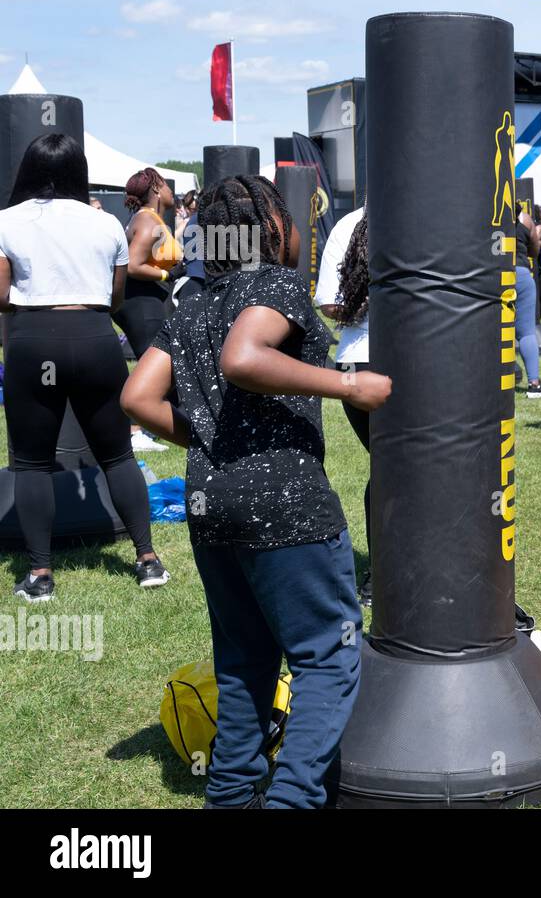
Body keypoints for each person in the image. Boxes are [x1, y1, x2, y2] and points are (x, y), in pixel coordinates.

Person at [120, 174, 392, 808]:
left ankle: (231, 796)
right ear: (270, 229)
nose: (300, 230)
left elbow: (136, 397)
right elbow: (243, 359)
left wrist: (205, 434)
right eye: (290, 218)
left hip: (210, 503)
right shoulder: (274, 284)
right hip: (286, 504)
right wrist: (353, 388)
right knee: (328, 658)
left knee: (243, 664)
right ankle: (292, 800)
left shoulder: (192, 303)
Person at [0, 134, 168, 601]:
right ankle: (148, 559)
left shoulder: (5, 221)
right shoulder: (108, 223)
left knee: (31, 463)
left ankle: (39, 575)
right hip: (96, 338)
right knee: (117, 453)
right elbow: (115, 296)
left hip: (34, 339)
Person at [314, 203, 376, 606]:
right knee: (391, 465)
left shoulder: (431, 212)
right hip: (364, 358)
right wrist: (369, 302)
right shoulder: (350, 225)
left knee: (410, 465)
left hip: (426, 357)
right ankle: (383, 568)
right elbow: (328, 301)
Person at [119, 168, 182, 360]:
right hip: (141, 302)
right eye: (164, 184)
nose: (170, 190)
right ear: (156, 189)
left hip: (145, 298)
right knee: (156, 367)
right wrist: (167, 275)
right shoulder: (148, 221)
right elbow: (133, 265)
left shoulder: (148, 218)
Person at [512, 199, 541, 398]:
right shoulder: (525, 219)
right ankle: (534, 383)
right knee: (526, 332)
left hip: (488, 273)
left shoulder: (484, 215)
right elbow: (534, 249)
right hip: (519, 272)